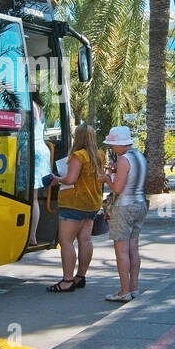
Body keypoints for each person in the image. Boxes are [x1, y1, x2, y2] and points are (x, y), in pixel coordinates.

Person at [47, 123, 105, 293]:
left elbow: (71, 179)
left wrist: (56, 179)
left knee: (66, 242)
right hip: (92, 203)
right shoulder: (100, 155)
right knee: (85, 240)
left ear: (77, 137)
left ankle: (67, 280)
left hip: (74, 203)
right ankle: (80, 277)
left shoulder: (78, 156)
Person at [103, 125, 147, 302]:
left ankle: (124, 290)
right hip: (140, 203)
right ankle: (134, 287)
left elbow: (118, 188)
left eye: (113, 145)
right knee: (133, 248)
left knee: (121, 250)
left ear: (120, 144)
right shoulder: (139, 156)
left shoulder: (123, 159)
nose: (112, 148)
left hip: (124, 206)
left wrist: (107, 179)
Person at [28, 92, 53, 245]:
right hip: (42, 150)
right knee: (34, 197)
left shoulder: (28, 105)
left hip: (32, 152)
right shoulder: (40, 108)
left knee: (31, 197)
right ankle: (32, 235)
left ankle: (31, 236)